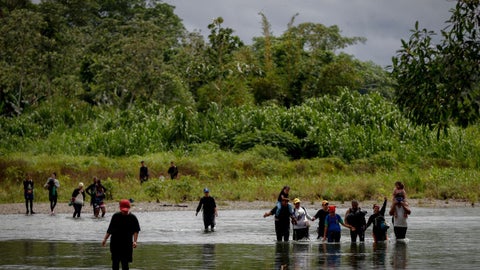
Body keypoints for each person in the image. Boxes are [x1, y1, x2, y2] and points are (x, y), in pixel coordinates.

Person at [102, 199, 140, 270]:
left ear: (129, 208)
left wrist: (135, 241)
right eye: (123, 210)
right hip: (115, 244)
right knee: (115, 264)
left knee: (125, 264)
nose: (124, 212)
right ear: (120, 208)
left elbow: (136, 231)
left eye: (126, 210)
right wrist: (105, 239)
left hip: (127, 244)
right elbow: (110, 230)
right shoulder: (115, 216)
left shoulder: (133, 218)